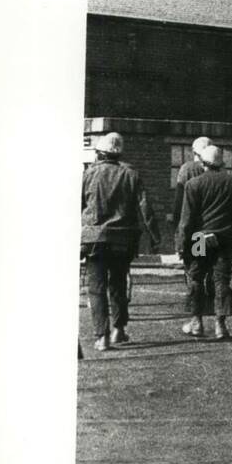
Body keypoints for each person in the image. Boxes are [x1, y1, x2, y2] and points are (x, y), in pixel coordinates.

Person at [81, 132, 160, 351]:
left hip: (94, 238)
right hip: (124, 239)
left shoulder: (88, 174)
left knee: (96, 288)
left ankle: (101, 336)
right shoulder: (131, 174)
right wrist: (155, 237)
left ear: (100, 153)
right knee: (118, 284)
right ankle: (118, 329)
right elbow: (146, 207)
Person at [177, 145, 232, 341]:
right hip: (225, 239)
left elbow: (186, 221)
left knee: (195, 278)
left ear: (202, 163)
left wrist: (182, 245)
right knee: (222, 281)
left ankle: (196, 322)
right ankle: (220, 324)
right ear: (223, 163)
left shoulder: (193, 184)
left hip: (200, 238)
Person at [174, 136, 214, 312]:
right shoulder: (219, 172)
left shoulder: (187, 169)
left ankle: (196, 304)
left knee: (194, 267)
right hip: (212, 226)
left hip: (194, 228)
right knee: (210, 267)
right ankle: (211, 303)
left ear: (194, 152)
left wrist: (178, 227)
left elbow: (179, 201)